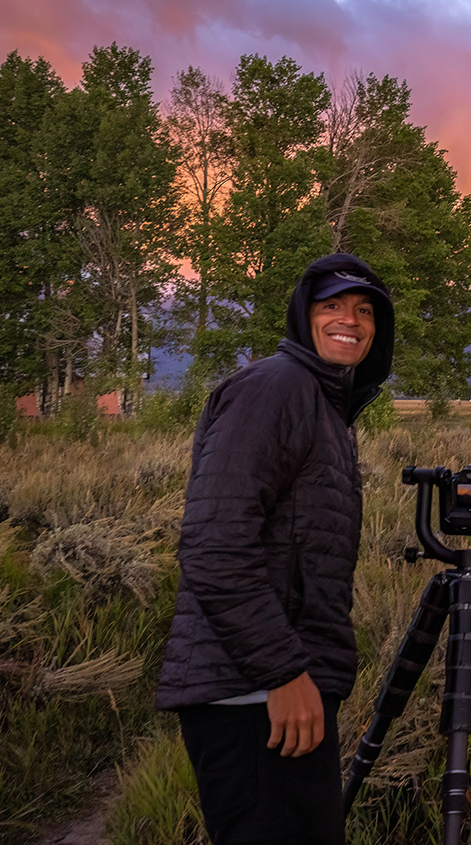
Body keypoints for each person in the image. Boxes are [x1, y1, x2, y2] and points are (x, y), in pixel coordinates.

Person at [156, 254, 395, 845]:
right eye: (333, 306)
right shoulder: (277, 388)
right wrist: (283, 673)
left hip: (277, 685)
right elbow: (214, 545)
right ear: (302, 317)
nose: (352, 320)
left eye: (365, 311)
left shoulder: (322, 404)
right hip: (255, 694)